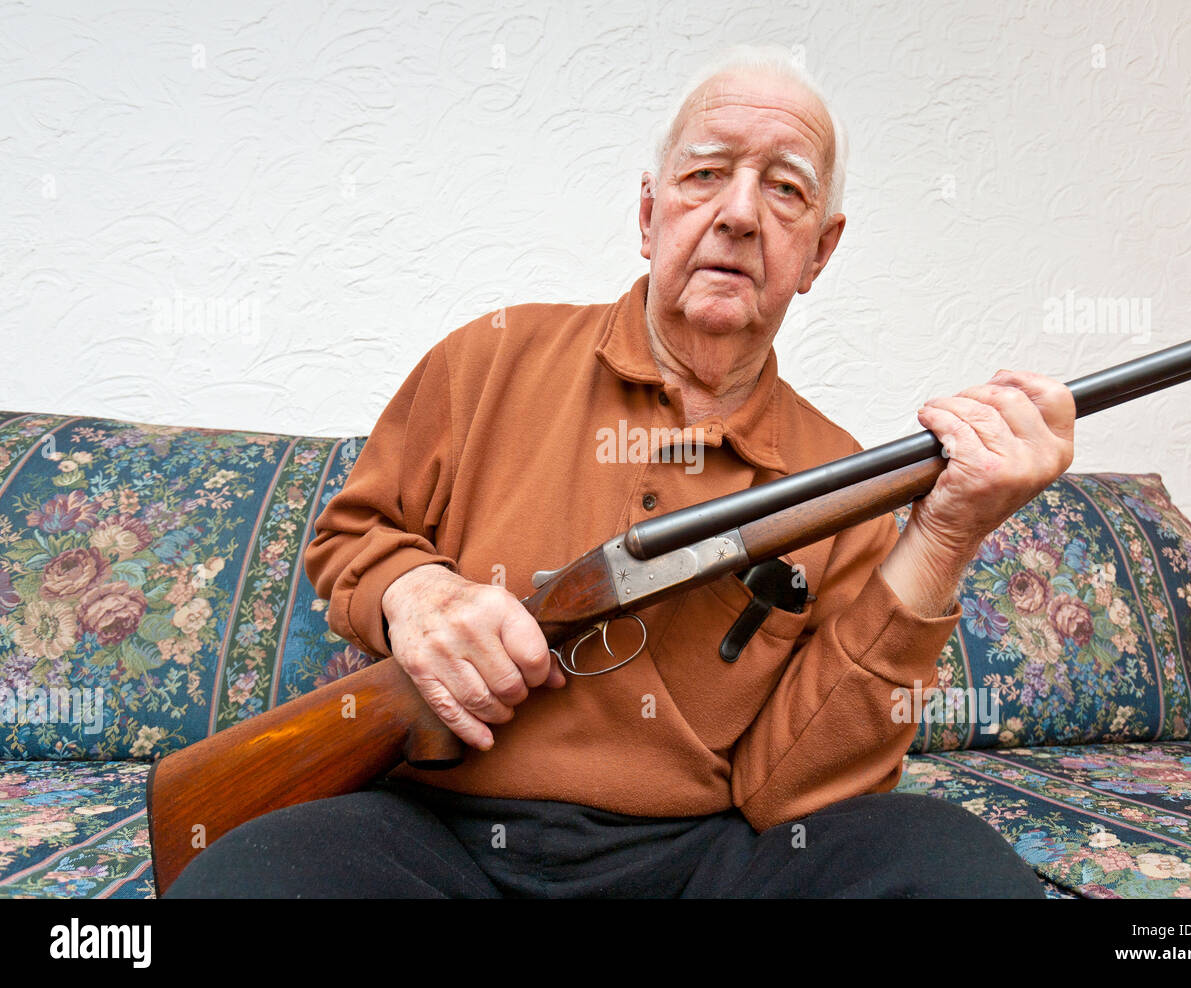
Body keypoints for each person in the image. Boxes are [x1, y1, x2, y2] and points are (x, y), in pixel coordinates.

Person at [163, 45, 1073, 898]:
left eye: (786, 190)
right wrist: (418, 596)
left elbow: (787, 793)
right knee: (246, 881)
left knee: (952, 867)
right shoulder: (489, 358)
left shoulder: (847, 480)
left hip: (704, 859)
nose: (741, 213)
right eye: (706, 174)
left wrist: (947, 531)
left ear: (819, 252)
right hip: (437, 832)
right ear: (650, 213)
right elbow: (350, 537)